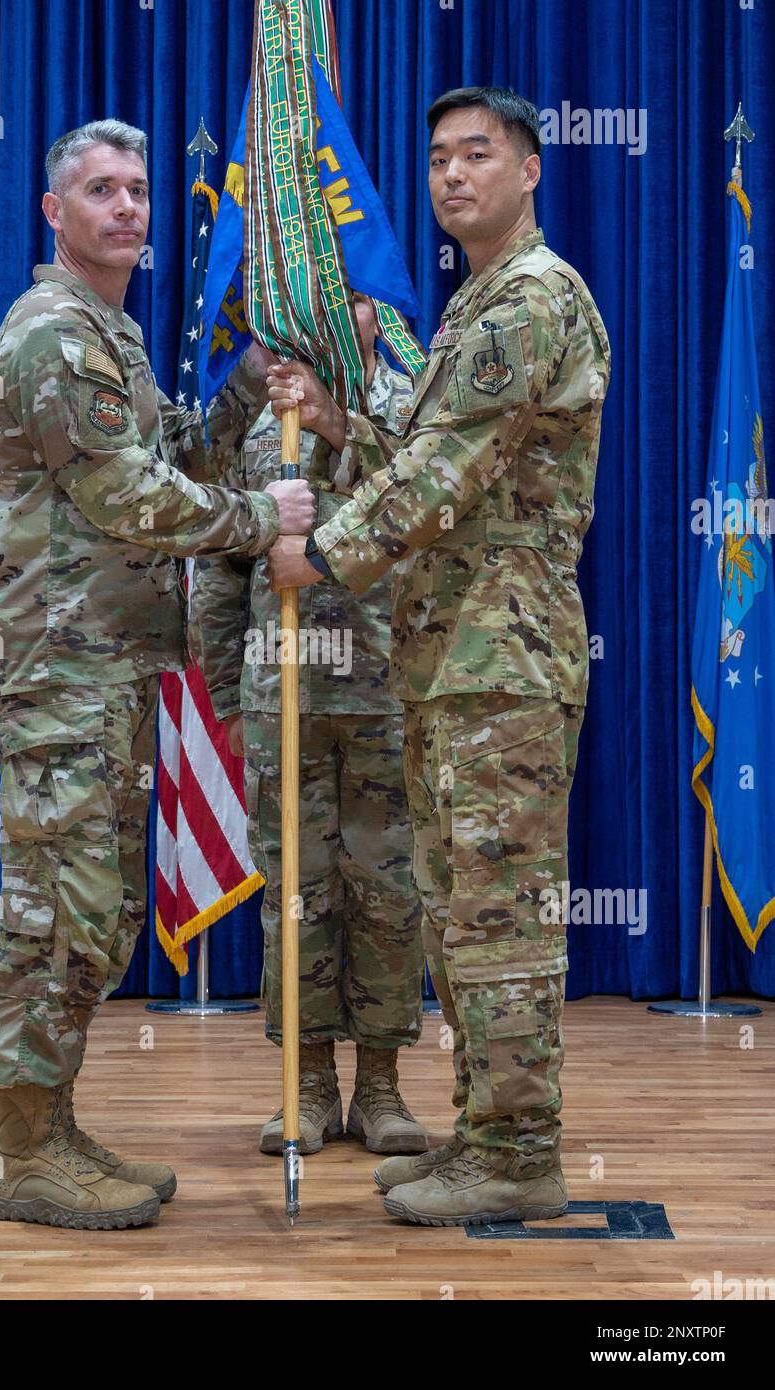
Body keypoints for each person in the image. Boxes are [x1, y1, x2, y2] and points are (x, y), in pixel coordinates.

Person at [265, 87, 611, 1226]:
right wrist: (335, 424)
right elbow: (430, 453)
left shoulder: (527, 300)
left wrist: (314, 554)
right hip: (454, 657)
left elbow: (437, 477)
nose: (452, 175)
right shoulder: (474, 307)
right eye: (437, 160)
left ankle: (519, 1152)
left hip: (497, 661)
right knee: (461, 915)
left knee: (498, 917)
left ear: (529, 171)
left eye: (478, 155)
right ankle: (485, 1134)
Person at [0, 118, 314, 1230]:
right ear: (54, 213)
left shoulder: (107, 335)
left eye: (137, 191)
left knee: (96, 906)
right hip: (61, 665)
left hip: (102, 664)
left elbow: (168, 457)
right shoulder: (55, 336)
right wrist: (264, 517)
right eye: (101, 190)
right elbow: (128, 499)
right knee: (55, 911)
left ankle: (50, 1125)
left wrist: (245, 387)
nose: (126, 207)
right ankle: (22, 1152)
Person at [189, 294, 428, 1158]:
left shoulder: (407, 409)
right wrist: (224, 693)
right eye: (321, 292)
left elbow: (432, 518)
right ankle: (309, 1084)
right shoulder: (254, 422)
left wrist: (337, 427)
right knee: (296, 897)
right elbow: (218, 569)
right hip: (282, 695)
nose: (339, 310)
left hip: (386, 696)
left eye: (354, 295)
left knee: (388, 897)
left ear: (376, 310)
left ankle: (383, 1087)